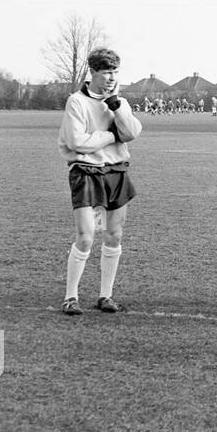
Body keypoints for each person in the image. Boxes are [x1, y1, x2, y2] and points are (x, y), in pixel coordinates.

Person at [57, 47, 143, 315]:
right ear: (92, 72)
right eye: (106, 72)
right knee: (86, 236)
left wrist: (115, 105)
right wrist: (109, 136)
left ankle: (105, 295)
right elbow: (77, 142)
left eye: (115, 72)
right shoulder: (77, 102)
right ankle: (71, 297)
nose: (111, 77)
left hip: (116, 171)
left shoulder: (120, 102)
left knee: (114, 234)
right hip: (86, 172)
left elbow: (131, 132)